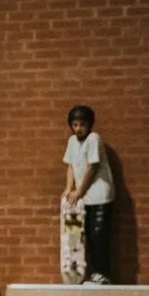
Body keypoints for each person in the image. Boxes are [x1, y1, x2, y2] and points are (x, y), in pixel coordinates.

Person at [61, 104, 115, 284]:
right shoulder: (72, 141)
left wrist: (79, 191)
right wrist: (69, 189)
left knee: (98, 234)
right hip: (83, 198)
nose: (78, 128)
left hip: (100, 195)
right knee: (81, 235)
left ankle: (103, 274)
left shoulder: (94, 138)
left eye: (82, 124)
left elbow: (92, 168)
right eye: (75, 124)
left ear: (90, 124)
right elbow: (70, 166)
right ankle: (90, 273)